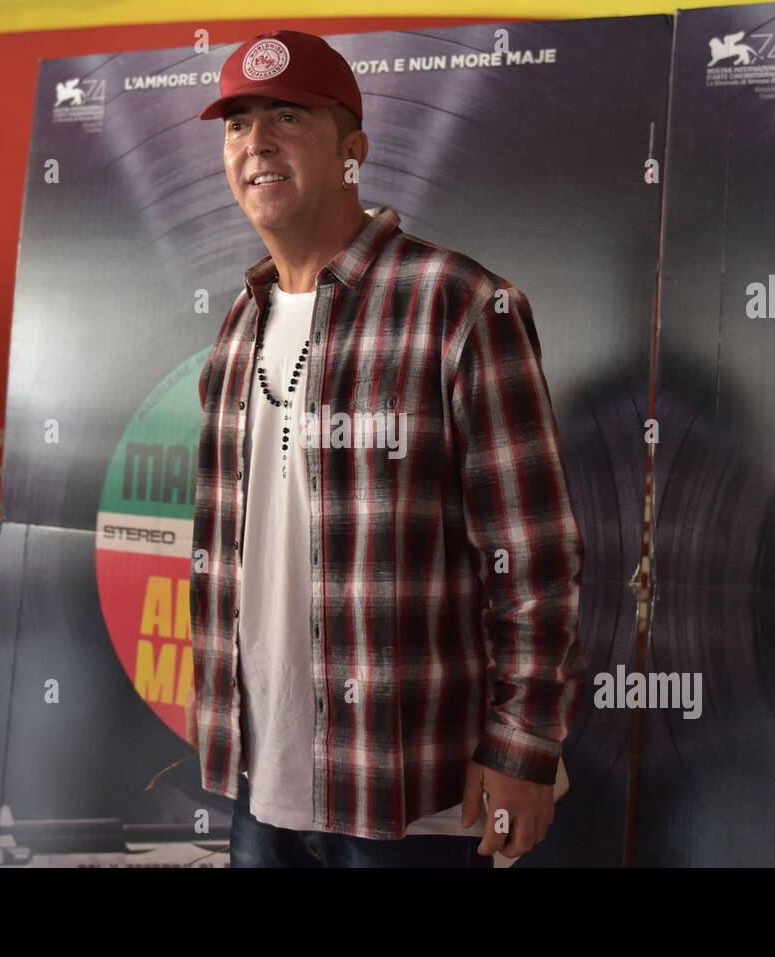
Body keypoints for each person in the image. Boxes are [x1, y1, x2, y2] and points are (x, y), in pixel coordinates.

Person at [186, 28, 586, 868]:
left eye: (288, 117)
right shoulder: (238, 324)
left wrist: (524, 745)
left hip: (409, 796)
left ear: (353, 152)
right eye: (238, 124)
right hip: (259, 783)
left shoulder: (462, 304)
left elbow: (534, 556)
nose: (256, 143)